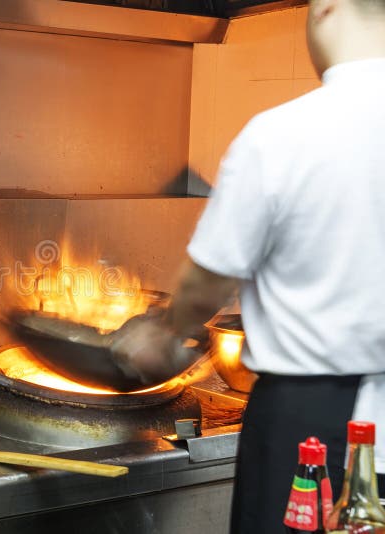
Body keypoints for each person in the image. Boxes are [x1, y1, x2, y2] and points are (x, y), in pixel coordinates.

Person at [108, 0, 385, 531]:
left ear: (327, 7)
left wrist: (166, 332)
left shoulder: (284, 133)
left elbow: (209, 279)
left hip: (307, 425)